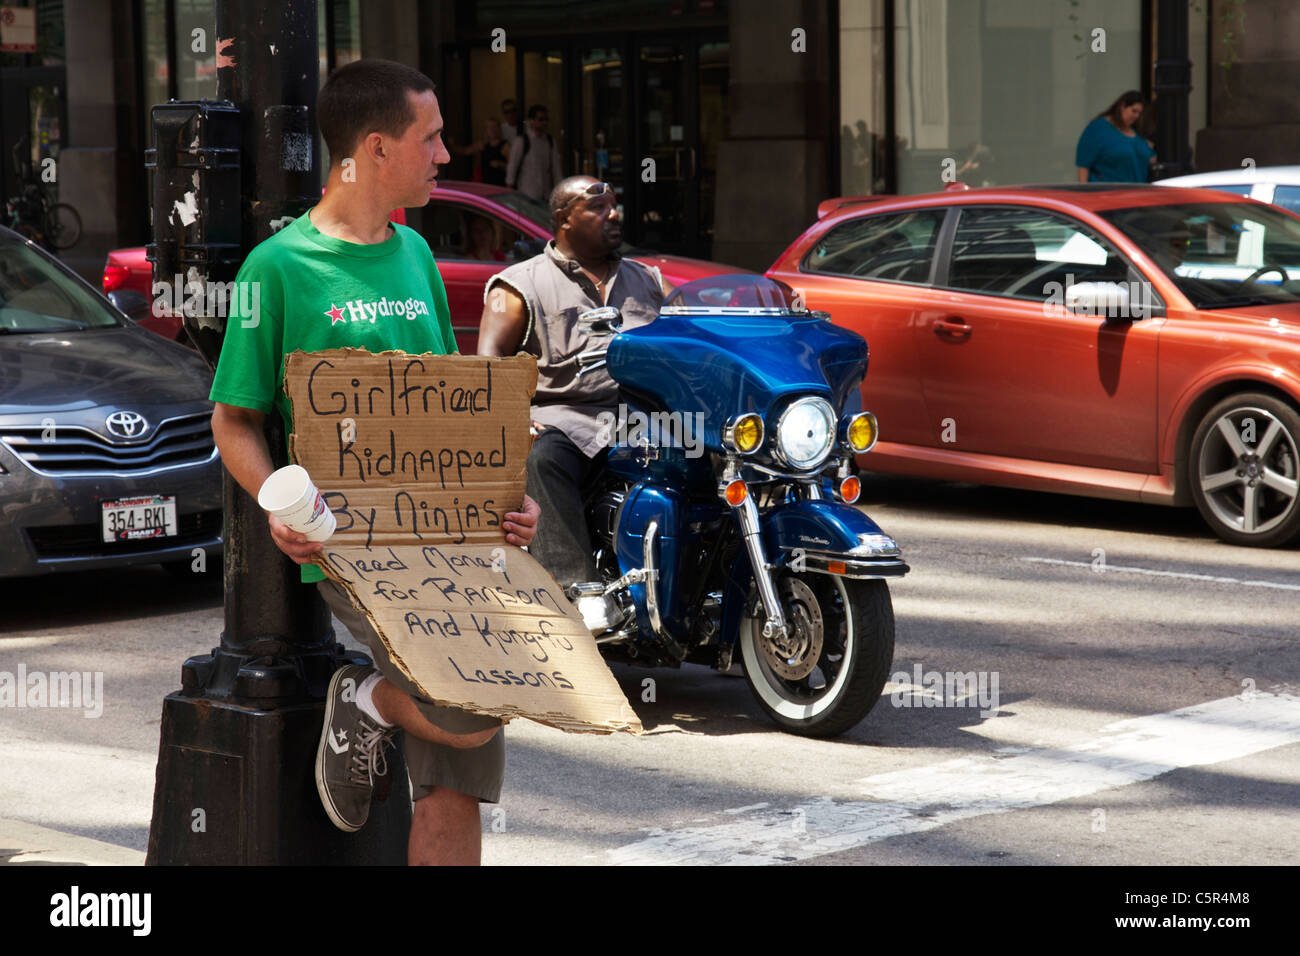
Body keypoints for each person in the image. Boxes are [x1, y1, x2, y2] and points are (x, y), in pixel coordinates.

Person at [207, 58, 538, 866]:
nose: (447, 155)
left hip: (456, 548)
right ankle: (366, 696)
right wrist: (281, 507)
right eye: (432, 138)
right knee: (470, 710)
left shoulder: (416, 254)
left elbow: (448, 410)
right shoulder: (275, 269)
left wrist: (502, 502)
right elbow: (233, 420)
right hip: (358, 552)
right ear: (378, 148)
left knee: (460, 777)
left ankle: (373, 706)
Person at [476, 176, 673, 631]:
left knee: (707, 454)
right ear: (564, 219)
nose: (614, 215)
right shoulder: (519, 285)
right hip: (562, 417)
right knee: (543, 458)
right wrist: (515, 421)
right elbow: (488, 366)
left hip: (638, 418)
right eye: (599, 207)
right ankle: (577, 591)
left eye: (614, 205)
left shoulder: (646, 280)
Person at [1075, 90, 1155, 183]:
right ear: (1122, 106)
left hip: (1136, 192)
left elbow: (1148, 158)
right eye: (1134, 111)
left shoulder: (1137, 132)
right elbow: (1083, 164)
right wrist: (1084, 193)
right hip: (1106, 193)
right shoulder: (1098, 129)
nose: (1136, 116)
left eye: (1139, 113)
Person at [505, 104, 564, 201]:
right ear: (531, 121)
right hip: (527, 193)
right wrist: (509, 189)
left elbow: (556, 167)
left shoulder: (549, 141)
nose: (544, 123)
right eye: (540, 119)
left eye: (546, 119)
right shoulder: (521, 141)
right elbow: (512, 166)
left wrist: (560, 188)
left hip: (545, 194)